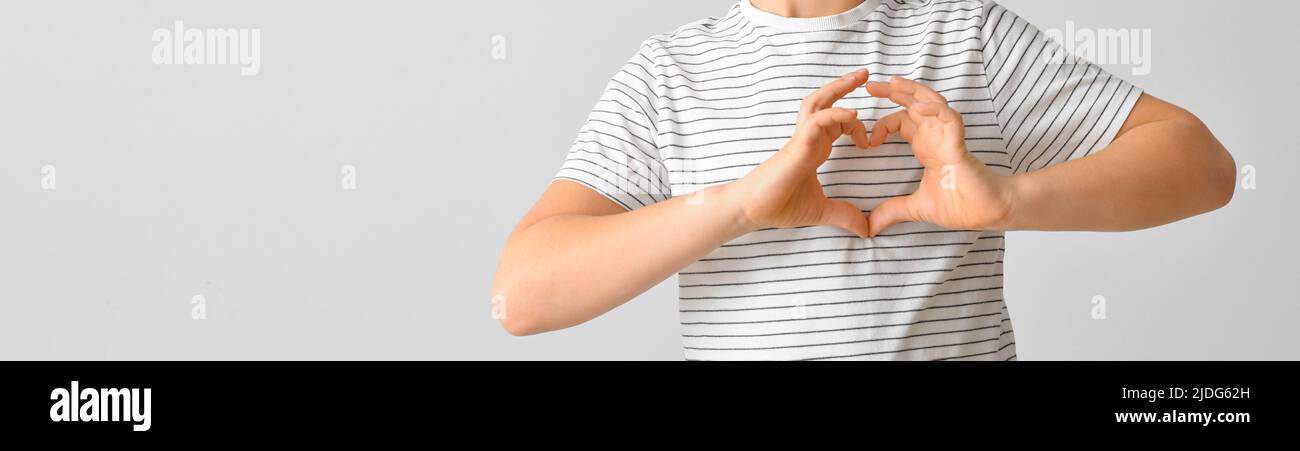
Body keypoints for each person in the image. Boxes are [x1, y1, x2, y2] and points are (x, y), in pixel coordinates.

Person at [490, 0, 1235, 360]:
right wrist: (740, 204)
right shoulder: (669, 74)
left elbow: (1202, 164)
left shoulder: (967, 38)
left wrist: (1010, 200)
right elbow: (521, 297)